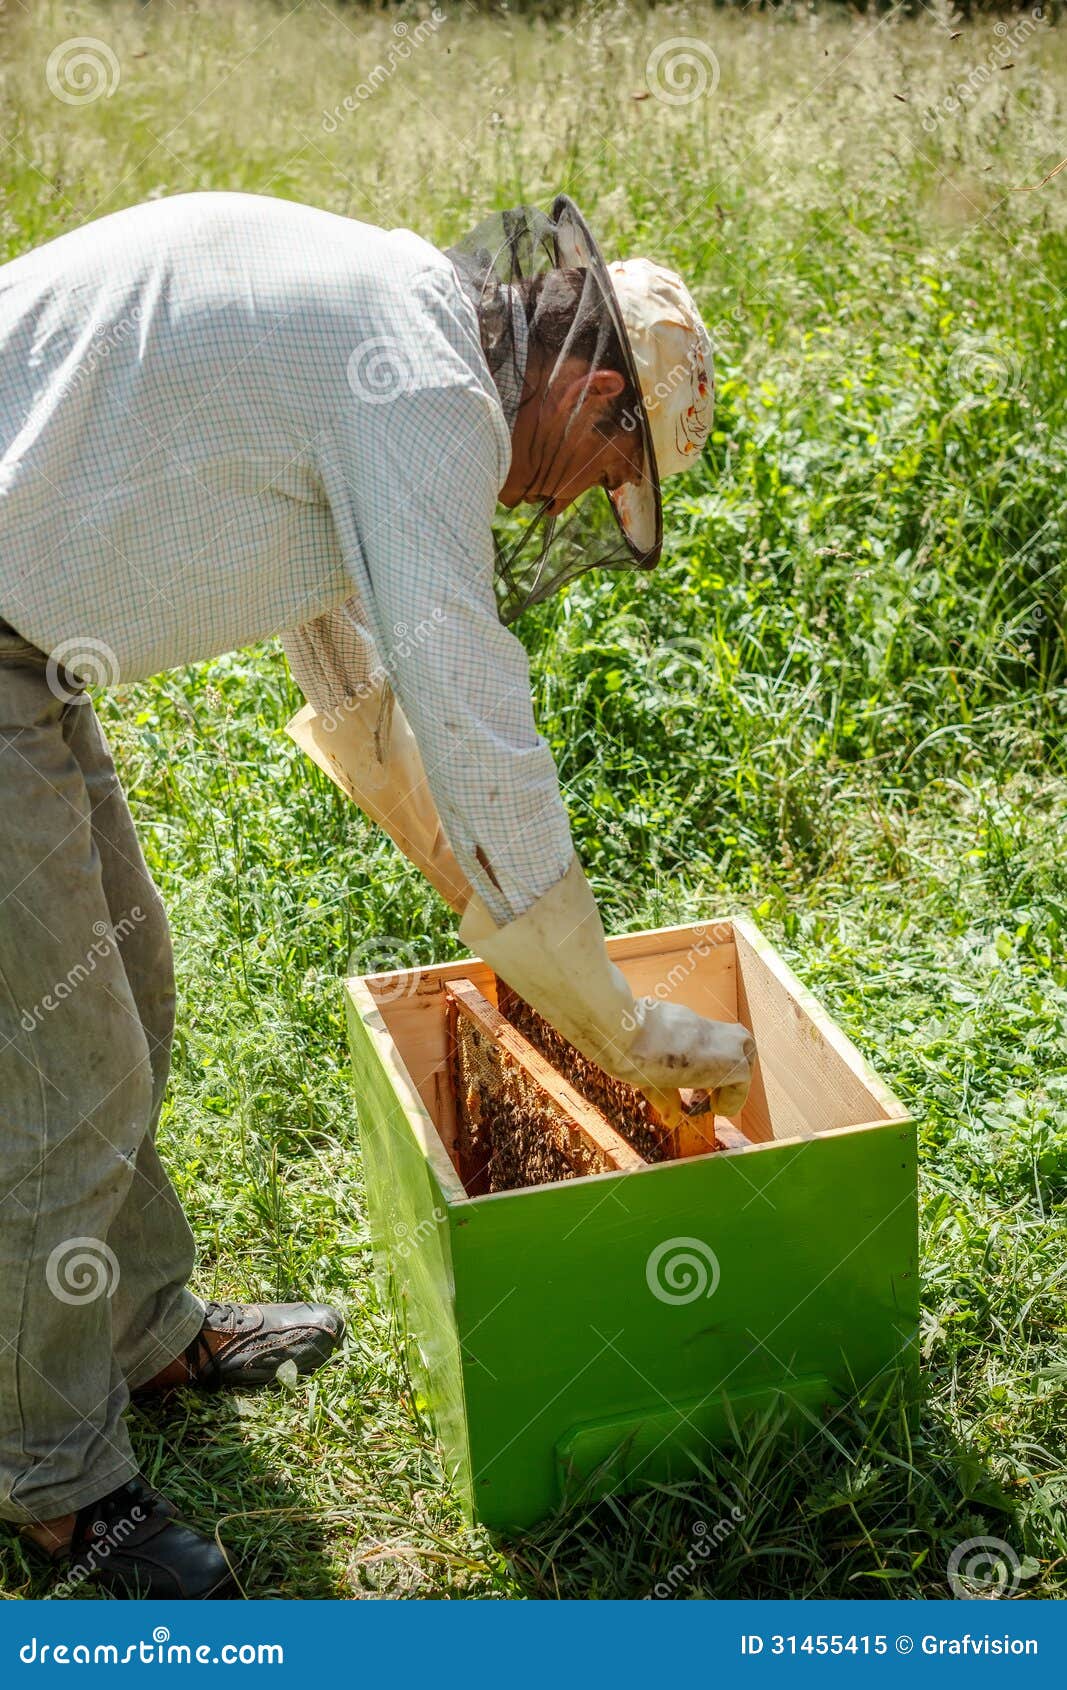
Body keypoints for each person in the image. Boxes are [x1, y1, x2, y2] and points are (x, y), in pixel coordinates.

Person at [0, 191, 755, 1598]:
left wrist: (488, 887)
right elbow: (465, 695)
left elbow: (351, 650)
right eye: (602, 470)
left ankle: (142, 1325)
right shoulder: (420, 385)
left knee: (127, 974)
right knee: (68, 1068)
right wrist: (611, 1012)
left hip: (28, 631)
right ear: (591, 390)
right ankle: (54, 1480)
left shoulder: (394, 325)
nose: (569, 503)